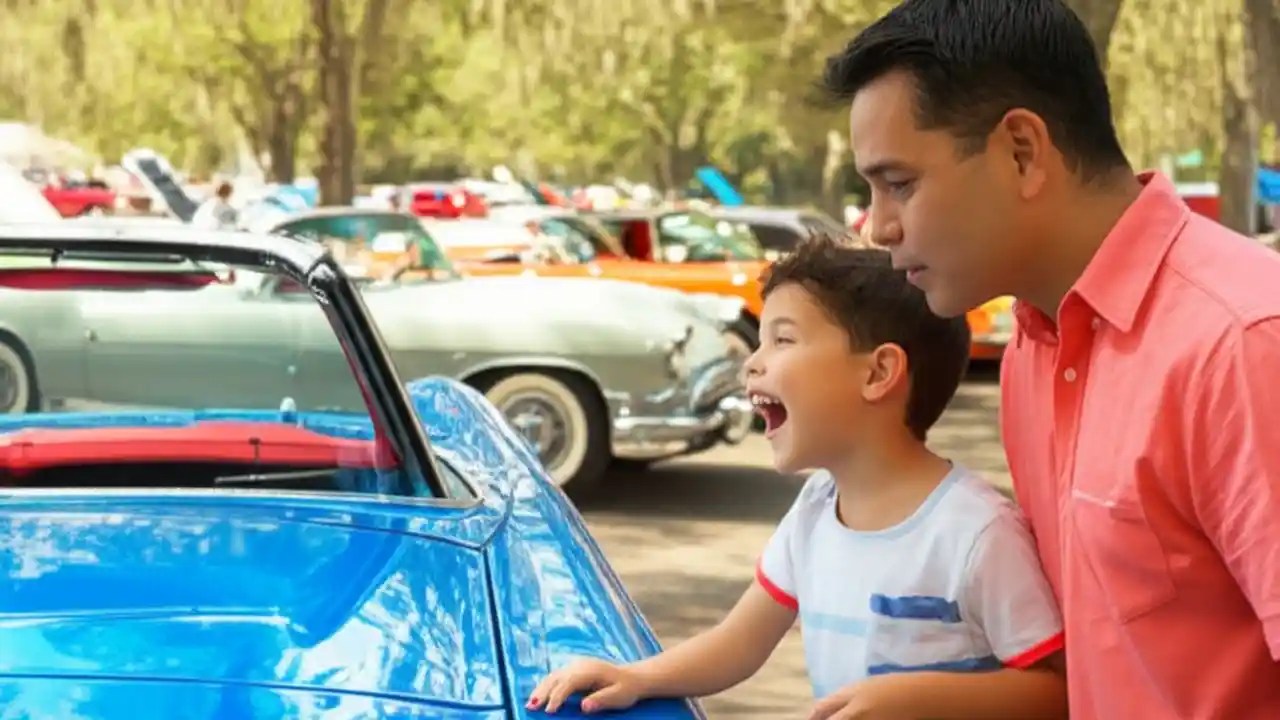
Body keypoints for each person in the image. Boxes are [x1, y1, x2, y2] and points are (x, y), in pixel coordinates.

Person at [822, 1, 1280, 717]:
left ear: (1022, 152)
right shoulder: (1033, 351)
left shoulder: (1244, 343)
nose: (877, 227)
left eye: (899, 184)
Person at [527, 240, 1068, 719]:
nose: (752, 364)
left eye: (782, 340)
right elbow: (740, 642)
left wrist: (918, 700)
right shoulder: (815, 506)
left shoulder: (976, 532)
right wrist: (637, 678)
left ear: (878, 373)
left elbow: (1057, 691)